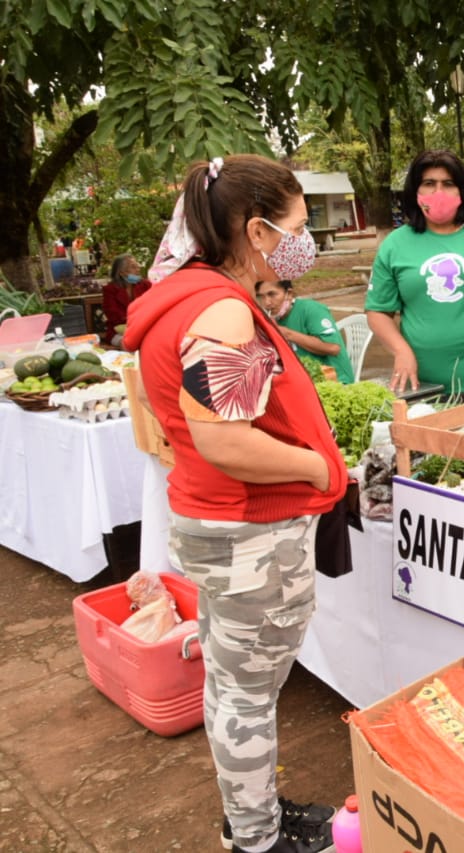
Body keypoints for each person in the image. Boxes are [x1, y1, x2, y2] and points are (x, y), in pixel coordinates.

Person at [123, 155, 347, 853]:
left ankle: (254, 813)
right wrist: (316, 466)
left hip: (227, 526)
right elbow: (227, 441)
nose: (305, 243)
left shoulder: (196, 296)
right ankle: (258, 838)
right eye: (298, 228)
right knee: (248, 694)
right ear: (255, 231)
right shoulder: (221, 310)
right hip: (252, 532)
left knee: (233, 685)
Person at [365, 149, 464, 399]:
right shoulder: (395, 245)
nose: (439, 192)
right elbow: (378, 310)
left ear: (462, 189)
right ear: (415, 190)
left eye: (448, 184)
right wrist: (400, 350)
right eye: (429, 184)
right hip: (426, 387)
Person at [255, 279, 354, 383]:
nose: (267, 302)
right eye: (261, 297)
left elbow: (333, 348)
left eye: (272, 294)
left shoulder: (311, 309)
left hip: (333, 380)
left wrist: (288, 334)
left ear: (289, 294)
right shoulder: (272, 318)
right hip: (300, 378)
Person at [103, 254, 152, 346]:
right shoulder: (110, 289)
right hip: (120, 331)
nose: (138, 269)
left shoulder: (145, 285)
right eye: (133, 267)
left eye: (137, 265)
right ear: (122, 272)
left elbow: (153, 306)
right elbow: (113, 315)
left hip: (144, 328)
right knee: (129, 344)